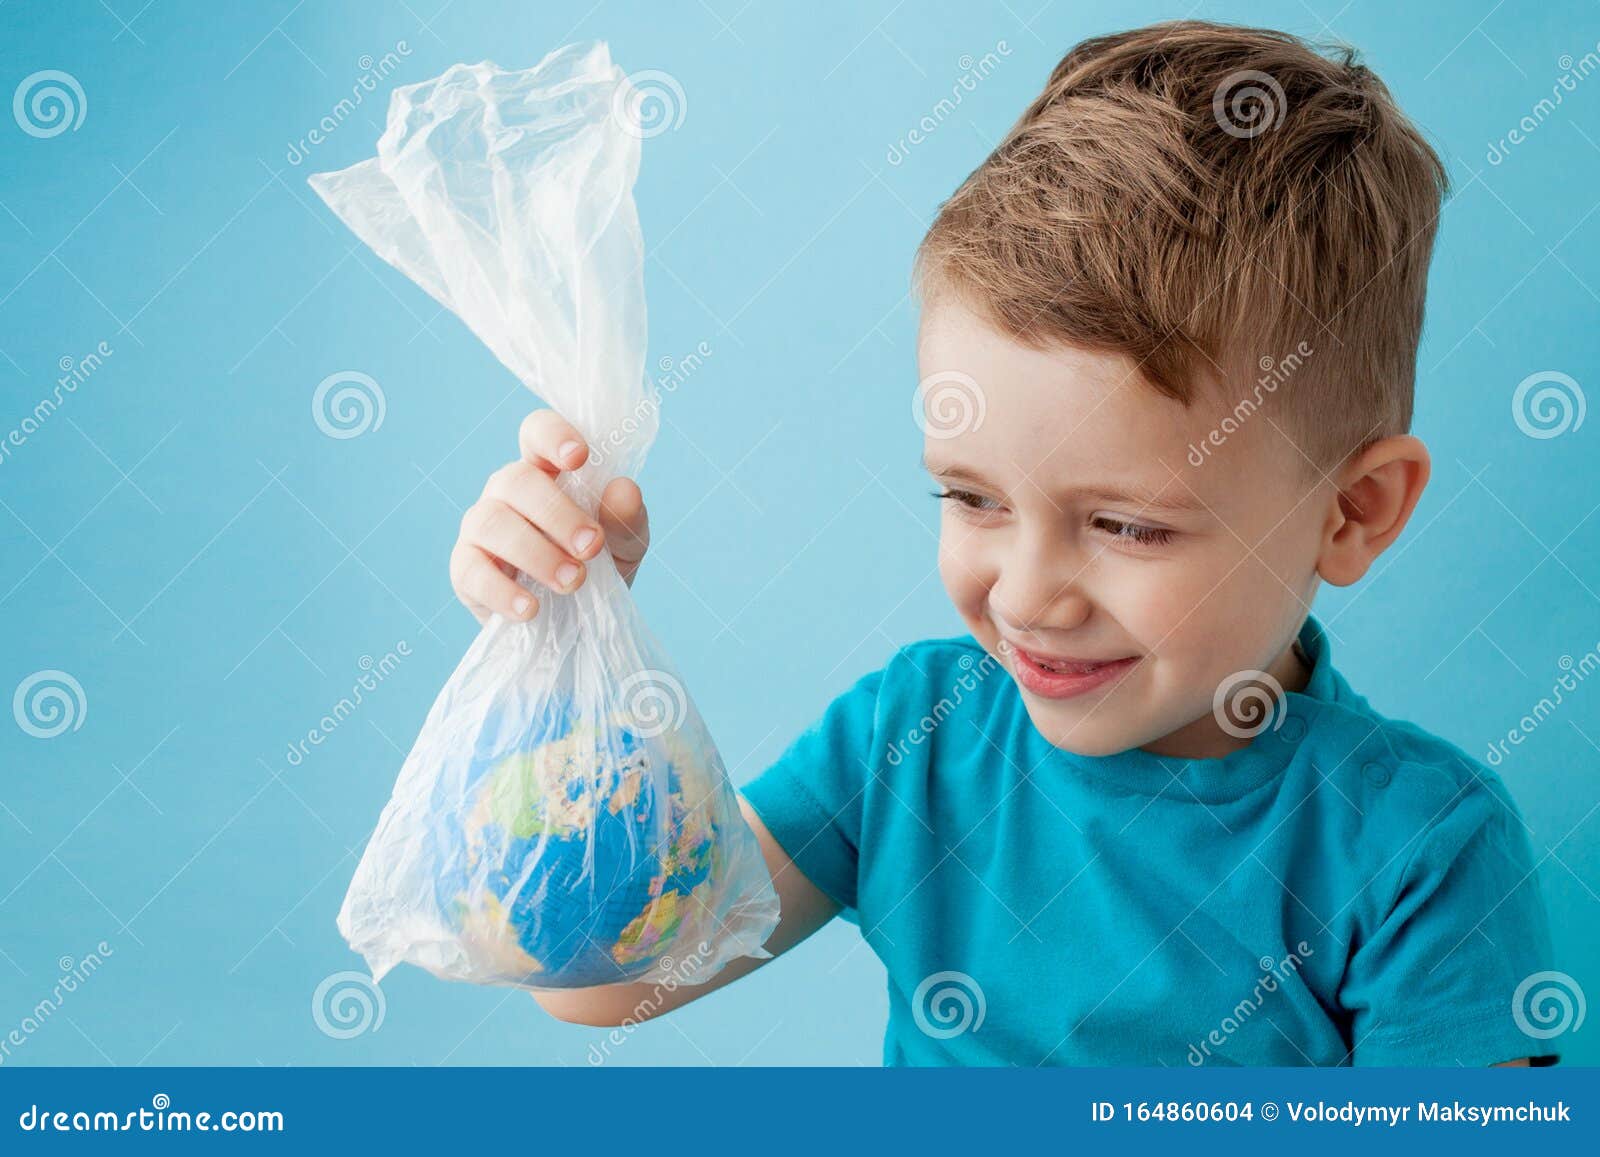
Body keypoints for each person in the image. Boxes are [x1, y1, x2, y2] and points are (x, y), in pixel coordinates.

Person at [446, 20, 1554, 1065]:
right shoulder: (912, 743)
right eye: (972, 499)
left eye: (1125, 524)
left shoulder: (1420, 851)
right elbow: (597, 982)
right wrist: (570, 638)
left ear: (1351, 512)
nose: (1028, 597)